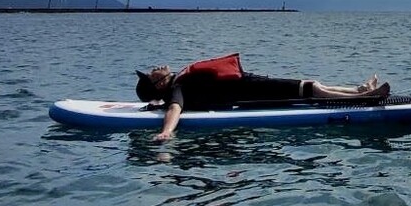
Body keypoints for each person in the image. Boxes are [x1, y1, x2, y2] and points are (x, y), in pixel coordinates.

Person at [136, 55, 390, 141]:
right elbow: (175, 108)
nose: (156, 66)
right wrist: (167, 132)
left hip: (250, 84)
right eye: (152, 72)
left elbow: (170, 104)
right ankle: (366, 97)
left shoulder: (178, 81)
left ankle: (358, 91)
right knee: (312, 89)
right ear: (159, 83)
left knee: (312, 86)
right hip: (250, 91)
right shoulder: (178, 87)